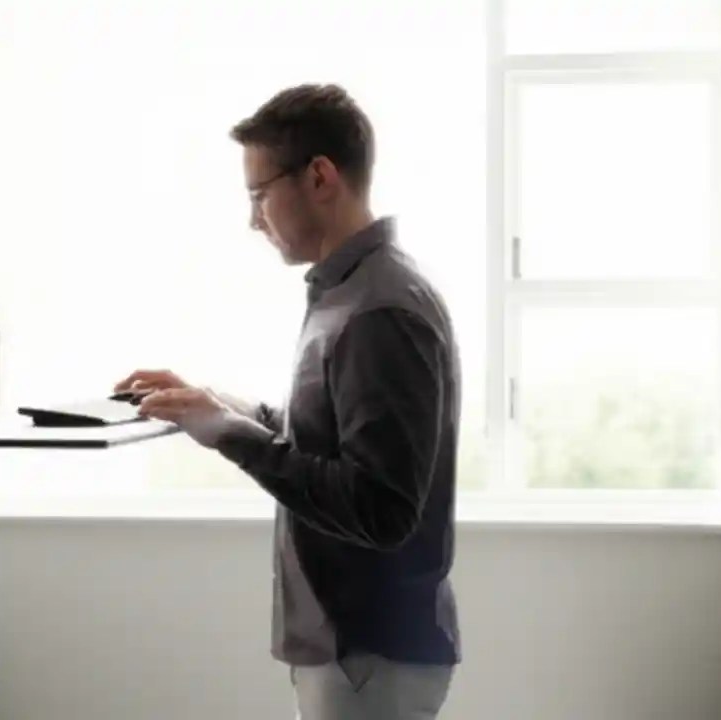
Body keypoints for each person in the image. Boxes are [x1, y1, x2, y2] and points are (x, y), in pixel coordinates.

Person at [114, 84, 461, 719]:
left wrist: (231, 435)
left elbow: (381, 509)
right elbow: (317, 437)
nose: (253, 219)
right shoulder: (348, 294)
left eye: (258, 194)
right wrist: (213, 402)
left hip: (368, 652)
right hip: (353, 651)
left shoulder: (380, 309)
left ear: (320, 177)